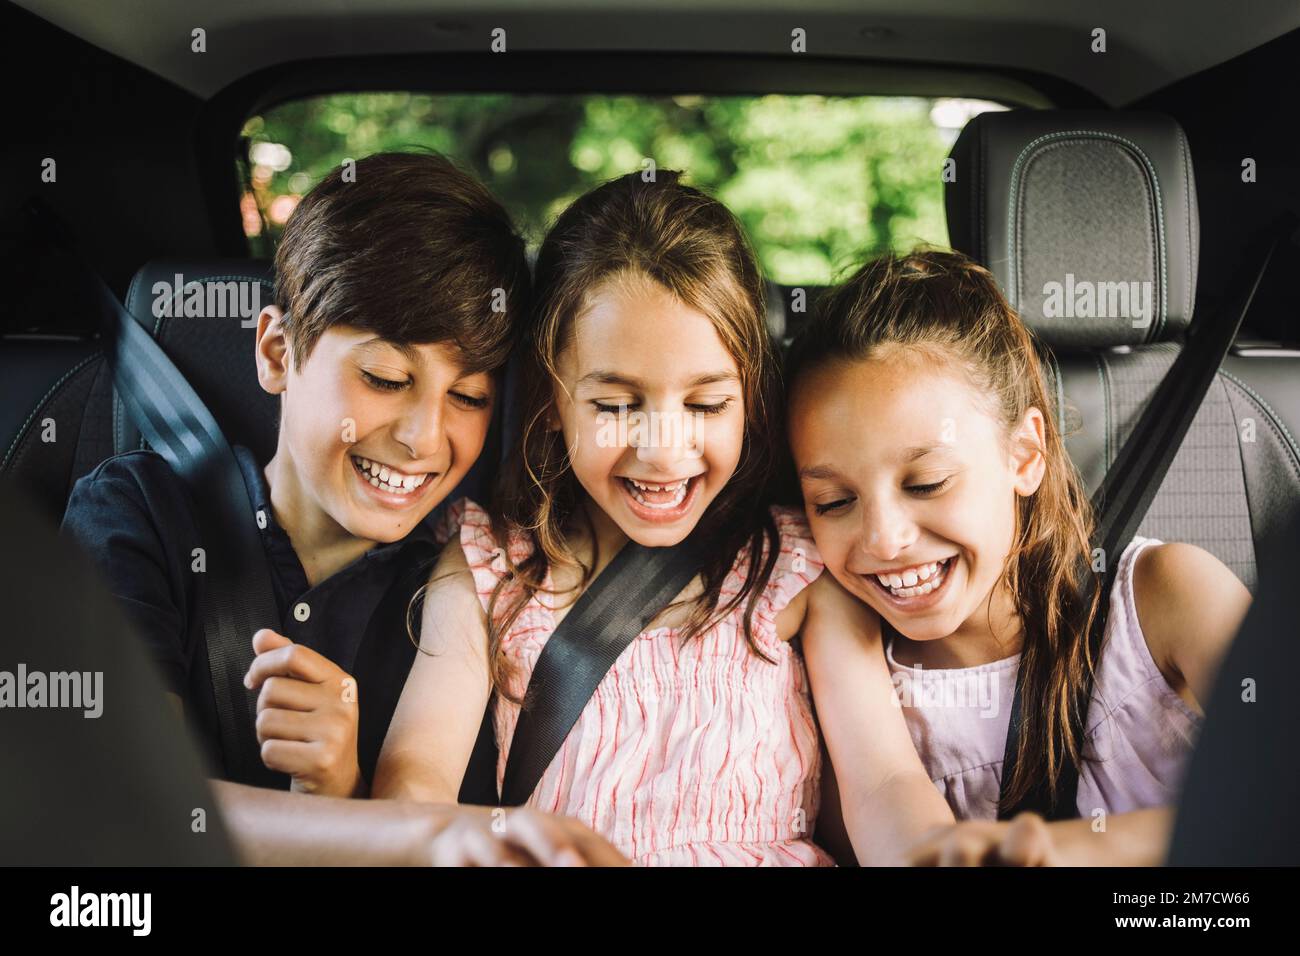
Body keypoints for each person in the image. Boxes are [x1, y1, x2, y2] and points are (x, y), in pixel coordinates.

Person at [62, 151, 624, 865]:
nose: (423, 437)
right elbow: (121, 804)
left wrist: (342, 791)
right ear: (275, 350)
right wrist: (412, 834)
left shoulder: (461, 592)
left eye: (469, 397)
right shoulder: (140, 518)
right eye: (385, 377)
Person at [374, 171, 952, 865]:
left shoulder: (797, 569)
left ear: (749, 398)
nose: (662, 451)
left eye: (705, 406)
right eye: (616, 404)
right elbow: (416, 776)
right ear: (554, 397)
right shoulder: (489, 569)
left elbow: (885, 779)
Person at [785, 250, 1253, 865]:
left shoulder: (1167, 595)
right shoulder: (852, 660)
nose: (884, 539)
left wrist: (1053, 851)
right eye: (834, 500)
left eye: (926, 483)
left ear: (1025, 455)